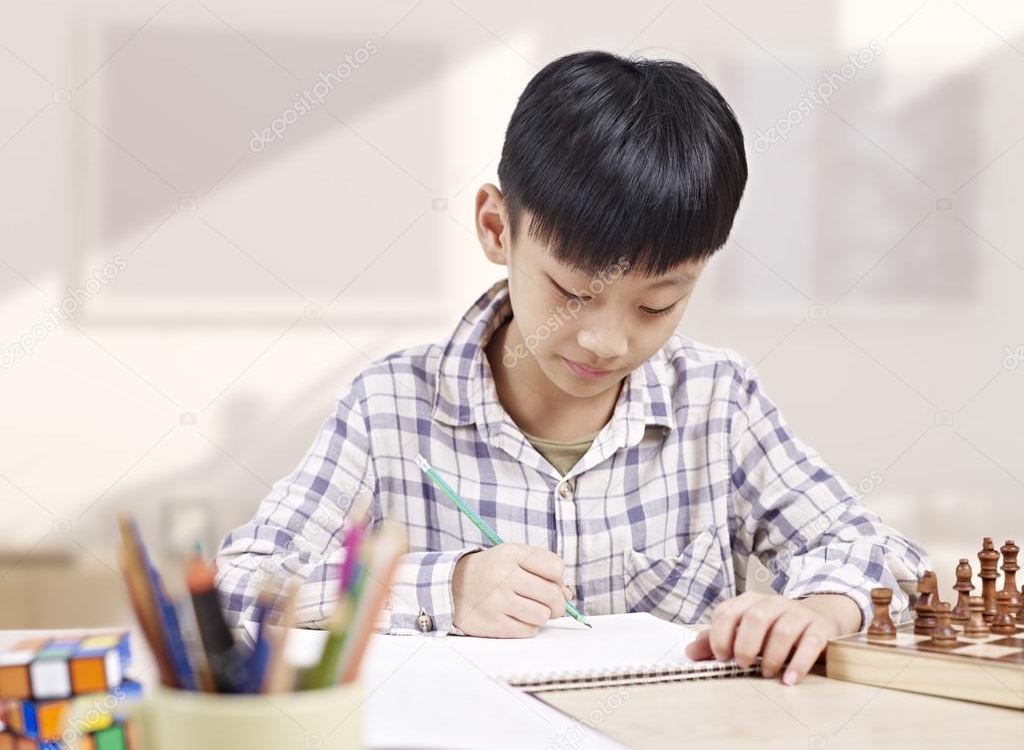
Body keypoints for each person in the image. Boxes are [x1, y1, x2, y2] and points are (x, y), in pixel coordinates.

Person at [217, 50, 929, 684]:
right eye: (573, 293)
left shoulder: (718, 401)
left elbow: (877, 552)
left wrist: (823, 609)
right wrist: (445, 589)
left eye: (658, 305)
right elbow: (236, 589)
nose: (606, 341)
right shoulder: (392, 407)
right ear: (498, 229)